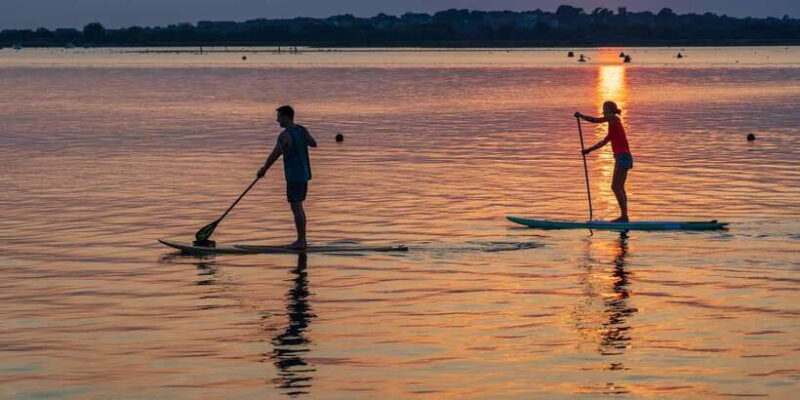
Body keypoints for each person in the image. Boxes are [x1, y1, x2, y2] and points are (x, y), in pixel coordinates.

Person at [257, 105, 317, 248]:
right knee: (299, 207)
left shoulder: (285, 135)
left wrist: (264, 169)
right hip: (304, 175)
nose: (277, 120)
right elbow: (313, 143)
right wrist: (303, 134)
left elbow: (275, 154)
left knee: (296, 207)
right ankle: (302, 240)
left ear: (285, 116)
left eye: (279, 117)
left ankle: (301, 241)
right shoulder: (301, 130)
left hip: (294, 176)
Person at [575, 101, 633, 222]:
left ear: (611, 110)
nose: (604, 111)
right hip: (624, 157)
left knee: (615, 187)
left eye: (605, 108)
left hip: (622, 157)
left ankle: (624, 216)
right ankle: (625, 216)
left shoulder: (614, 119)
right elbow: (603, 142)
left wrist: (581, 116)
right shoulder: (613, 128)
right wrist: (588, 150)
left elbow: (595, 120)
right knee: (619, 187)